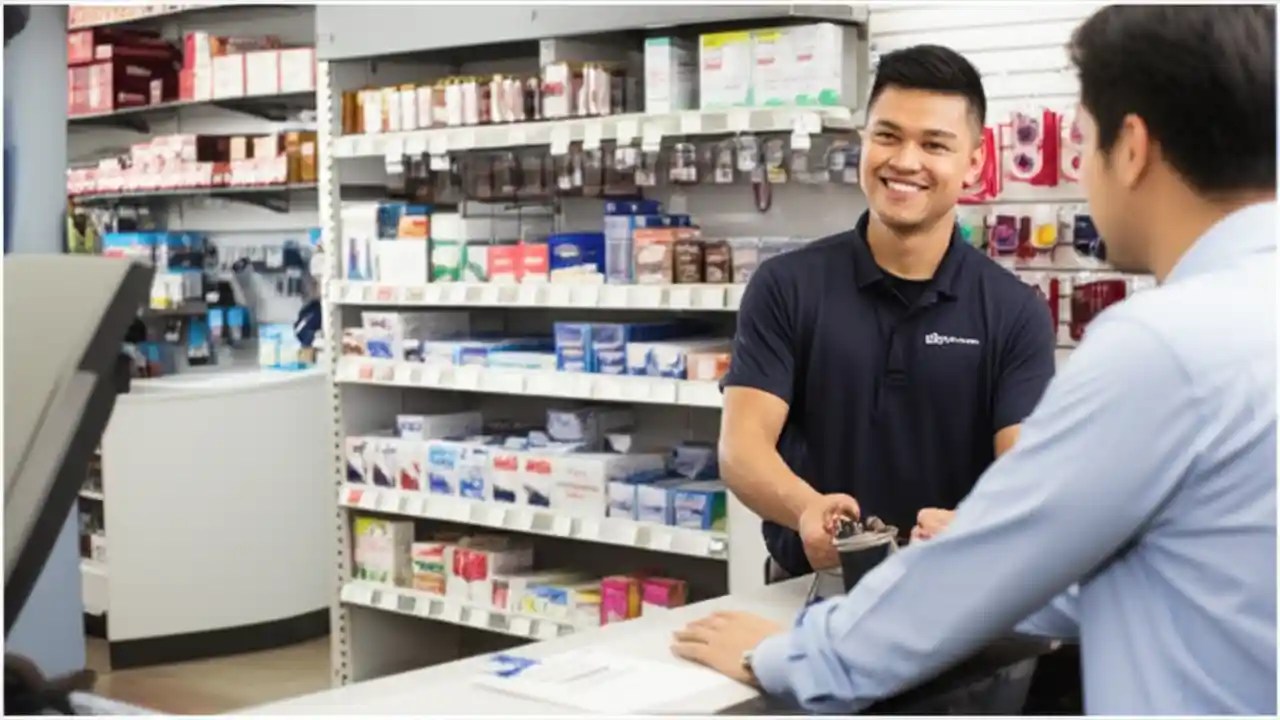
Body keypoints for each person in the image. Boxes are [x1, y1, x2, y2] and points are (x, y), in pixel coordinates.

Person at [671, 4, 1277, 715]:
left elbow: (1002, 567)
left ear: (1133, 147)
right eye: (887, 135)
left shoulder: (1162, 346)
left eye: (1082, 143)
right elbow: (1155, 570)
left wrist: (783, 653)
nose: (1080, 172)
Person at [718, 43, 1056, 581]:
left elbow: (1026, 471)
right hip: (808, 586)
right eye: (888, 136)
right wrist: (807, 510)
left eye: (934, 144)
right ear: (863, 142)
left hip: (954, 588)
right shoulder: (786, 286)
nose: (905, 161)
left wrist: (976, 525)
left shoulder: (1014, 312)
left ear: (974, 163)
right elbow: (742, 448)